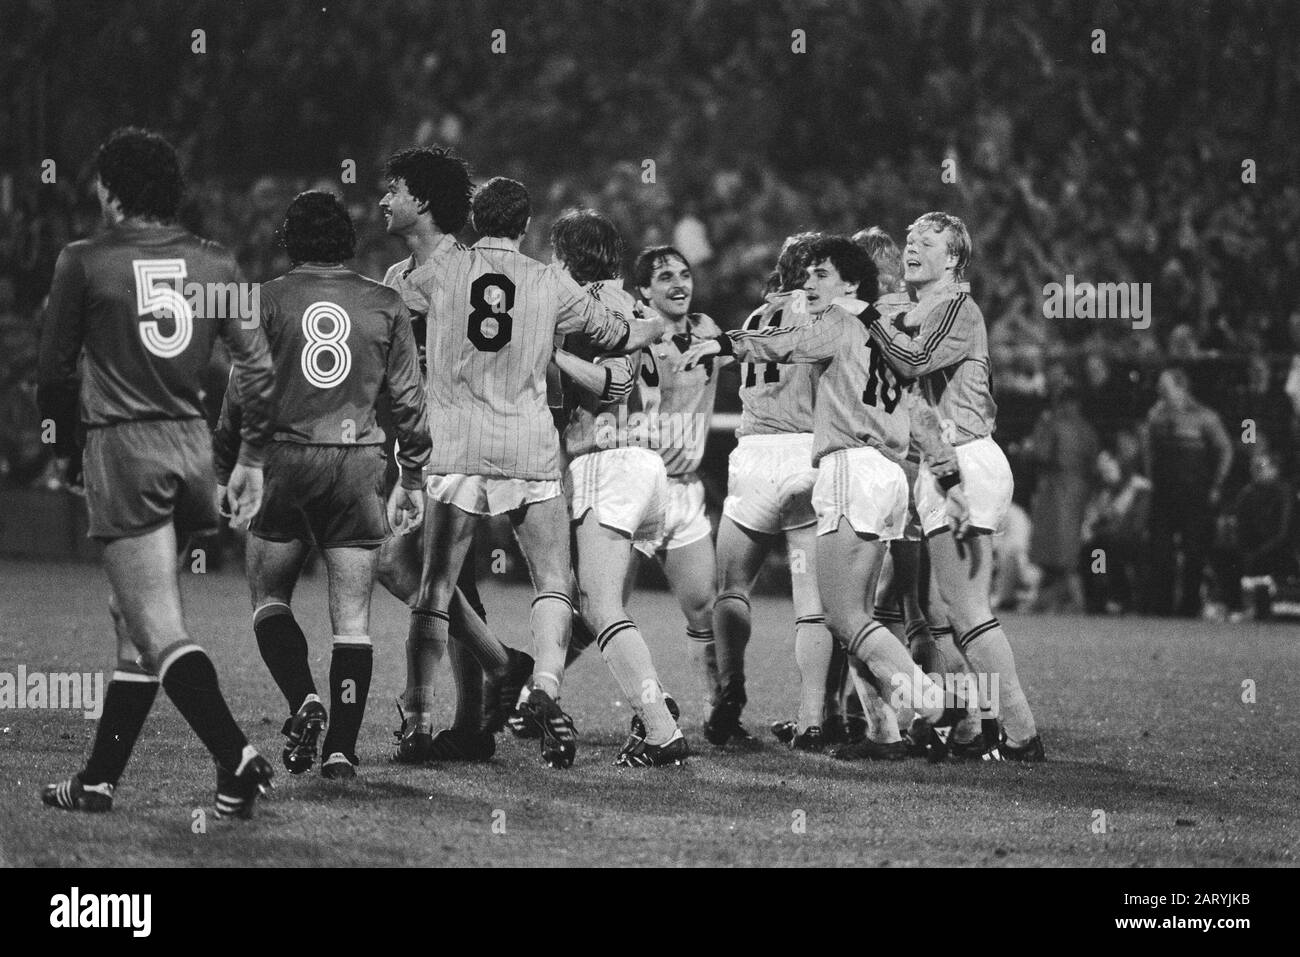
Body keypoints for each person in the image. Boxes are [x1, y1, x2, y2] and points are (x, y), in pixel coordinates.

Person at [37, 127, 276, 816]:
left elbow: (54, 372)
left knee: (160, 625)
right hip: (192, 449)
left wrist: (62, 449)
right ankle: (99, 780)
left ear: (111, 191)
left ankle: (236, 755)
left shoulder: (83, 260)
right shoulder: (218, 263)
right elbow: (257, 366)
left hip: (124, 447)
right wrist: (251, 459)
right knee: (132, 619)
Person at [400, 174, 665, 769]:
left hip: (456, 446)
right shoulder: (550, 284)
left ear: (475, 219)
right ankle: (544, 681)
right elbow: (620, 332)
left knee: (435, 590)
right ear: (525, 227)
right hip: (529, 447)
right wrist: (648, 325)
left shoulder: (444, 270)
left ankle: (416, 723)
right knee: (553, 580)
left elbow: (391, 311)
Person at [678, 235, 971, 760]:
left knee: (842, 616)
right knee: (870, 611)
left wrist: (725, 343)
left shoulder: (833, 321)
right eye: (808, 274)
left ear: (851, 282)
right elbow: (915, 403)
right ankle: (876, 728)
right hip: (887, 474)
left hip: (842, 468)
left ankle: (928, 702)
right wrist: (946, 472)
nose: (810, 285)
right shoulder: (891, 327)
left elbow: (787, 344)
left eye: (821, 275)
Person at [212, 191, 430, 781]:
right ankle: (339, 749)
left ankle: (304, 700)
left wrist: (226, 462)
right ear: (347, 241)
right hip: (358, 460)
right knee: (353, 620)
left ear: (290, 239)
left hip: (284, 458)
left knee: (269, 598)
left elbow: (241, 394)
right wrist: (411, 473)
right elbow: (409, 401)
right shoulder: (385, 302)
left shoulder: (262, 300)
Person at [852, 212, 1044, 760]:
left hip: (965, 460)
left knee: (964, 609)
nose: (911, 246)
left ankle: (1021, 733)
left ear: (954, 259)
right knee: (944, 610)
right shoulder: (917, 309)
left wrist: (866, 312)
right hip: (949, 463)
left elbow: (912, 360)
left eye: (927, 241)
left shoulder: (958, 308)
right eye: (909, 238)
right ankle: (975, 728)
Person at [377, 155, 531, 763]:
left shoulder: (466, 271)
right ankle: (472, 722)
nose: (384, 201)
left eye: (394, 191)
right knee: (448, 580)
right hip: (417, 447)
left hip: (457, 443)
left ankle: (464, 694)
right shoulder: (396, 274)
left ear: (424, 200)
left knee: (404, 568)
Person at [550, 208, 688, 766]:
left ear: (568, 254)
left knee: (601, 604)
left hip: (609, 457)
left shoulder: (592, 305)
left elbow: (616, 380)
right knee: (597, 602)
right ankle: (646, 701)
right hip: (643, 464)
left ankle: (659, 727)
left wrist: (550, 354)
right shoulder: (631, 304)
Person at [709, 231, 834, 751]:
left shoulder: (756, 319)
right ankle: (811, 719)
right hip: (804, 456)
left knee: (733, 588)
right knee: (810, 602)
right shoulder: (826, 318)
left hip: (755, 457)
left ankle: (729, 690)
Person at [1142, 367, 1234, 617]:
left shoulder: (1205, 418)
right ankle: (1161, 605)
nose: (1160, 391)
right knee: (1160, 550)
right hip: (1164, 492)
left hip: (1194, 493)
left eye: (1165, 387)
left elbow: (1225, 450)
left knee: (1194, 551)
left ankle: (1189, 607)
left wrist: (1216, 484)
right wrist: (1151, 478)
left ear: (1181, 388)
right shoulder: (1156, 416)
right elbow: (1149, 448)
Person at [1027, 384, 1099, 612]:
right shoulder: (1089, 430)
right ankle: (1071, 600)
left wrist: (1035, 437)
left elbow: (1041, 453)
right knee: (1070, 549)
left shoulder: (1053, 424)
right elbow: (1094, 465)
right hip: (1081, 490)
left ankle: (1073, 602)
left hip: (1055, 489)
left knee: (1054, 553)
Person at [1080, 447, 1151, 614]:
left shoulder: (1139, 488)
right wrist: (1088, 527)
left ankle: (1122, 599)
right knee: (1095, 553)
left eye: (1108, 466)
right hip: (1105, 542)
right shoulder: (1103, 490)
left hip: (1130, 541)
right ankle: (1100, 597)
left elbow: (1132, 522)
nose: (1104, 471)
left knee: (1105, 549)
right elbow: (1093, 516)